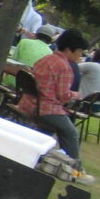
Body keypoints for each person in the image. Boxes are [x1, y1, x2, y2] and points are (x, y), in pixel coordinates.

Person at [16, 28, 90, 169]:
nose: (80, 55)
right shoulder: (64, 67)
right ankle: (75, 169)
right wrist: (76, 95)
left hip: (29, 103)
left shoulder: (45, 59)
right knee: (70, 132)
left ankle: (36, 157)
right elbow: (63, 96)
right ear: (69, 49)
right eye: (80, 51)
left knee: (48, 131)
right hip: (47, 110)